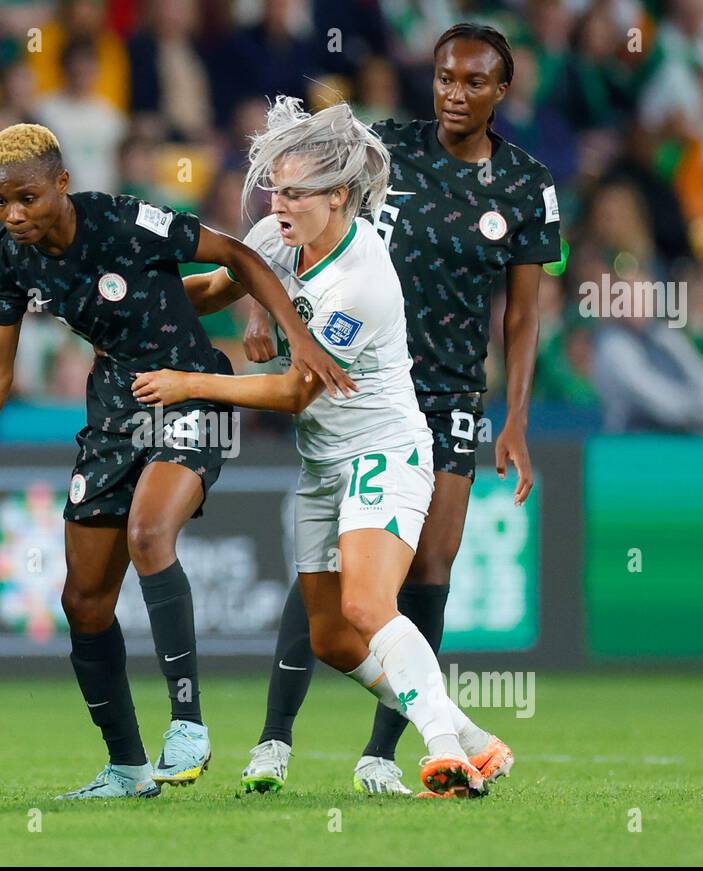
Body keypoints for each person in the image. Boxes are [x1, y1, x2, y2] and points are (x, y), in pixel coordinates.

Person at [0, 123, 353, 799]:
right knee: (82, 602)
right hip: (114, 411)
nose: (14, 214)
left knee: (149, 532)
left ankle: (190, 725)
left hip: (192, 389)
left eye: (26, 197)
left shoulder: (124, 222)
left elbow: (237, 256)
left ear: (61, 184)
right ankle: (127, 769)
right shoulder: (11, 260)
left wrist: (295, 335)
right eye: (0, 202)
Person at [183, 23, 557, 796]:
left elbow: (522, 315)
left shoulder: (524, 185)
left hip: (440, 388)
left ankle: (398, 750)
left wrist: (514, 418)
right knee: (336, 608)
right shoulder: (380, 150)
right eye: (444, 77)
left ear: (500, 91)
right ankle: (287, 740)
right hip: (349, 391)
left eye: (472, 82)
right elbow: (267, 250)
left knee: (414, 572)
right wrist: (260, 309)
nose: (453, 92)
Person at [132, 96, 501, 798]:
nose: (278, 201)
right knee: (333, 638)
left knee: (367, 606)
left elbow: (293, 393)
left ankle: (446, 750)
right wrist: (126, 298)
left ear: (339, 198)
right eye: (274, 186)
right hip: (322, 463)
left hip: (382, 450)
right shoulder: (280, 235)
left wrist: (189, 382)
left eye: (296, 191)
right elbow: (214, 286)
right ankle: (476, 738)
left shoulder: (359, 282)